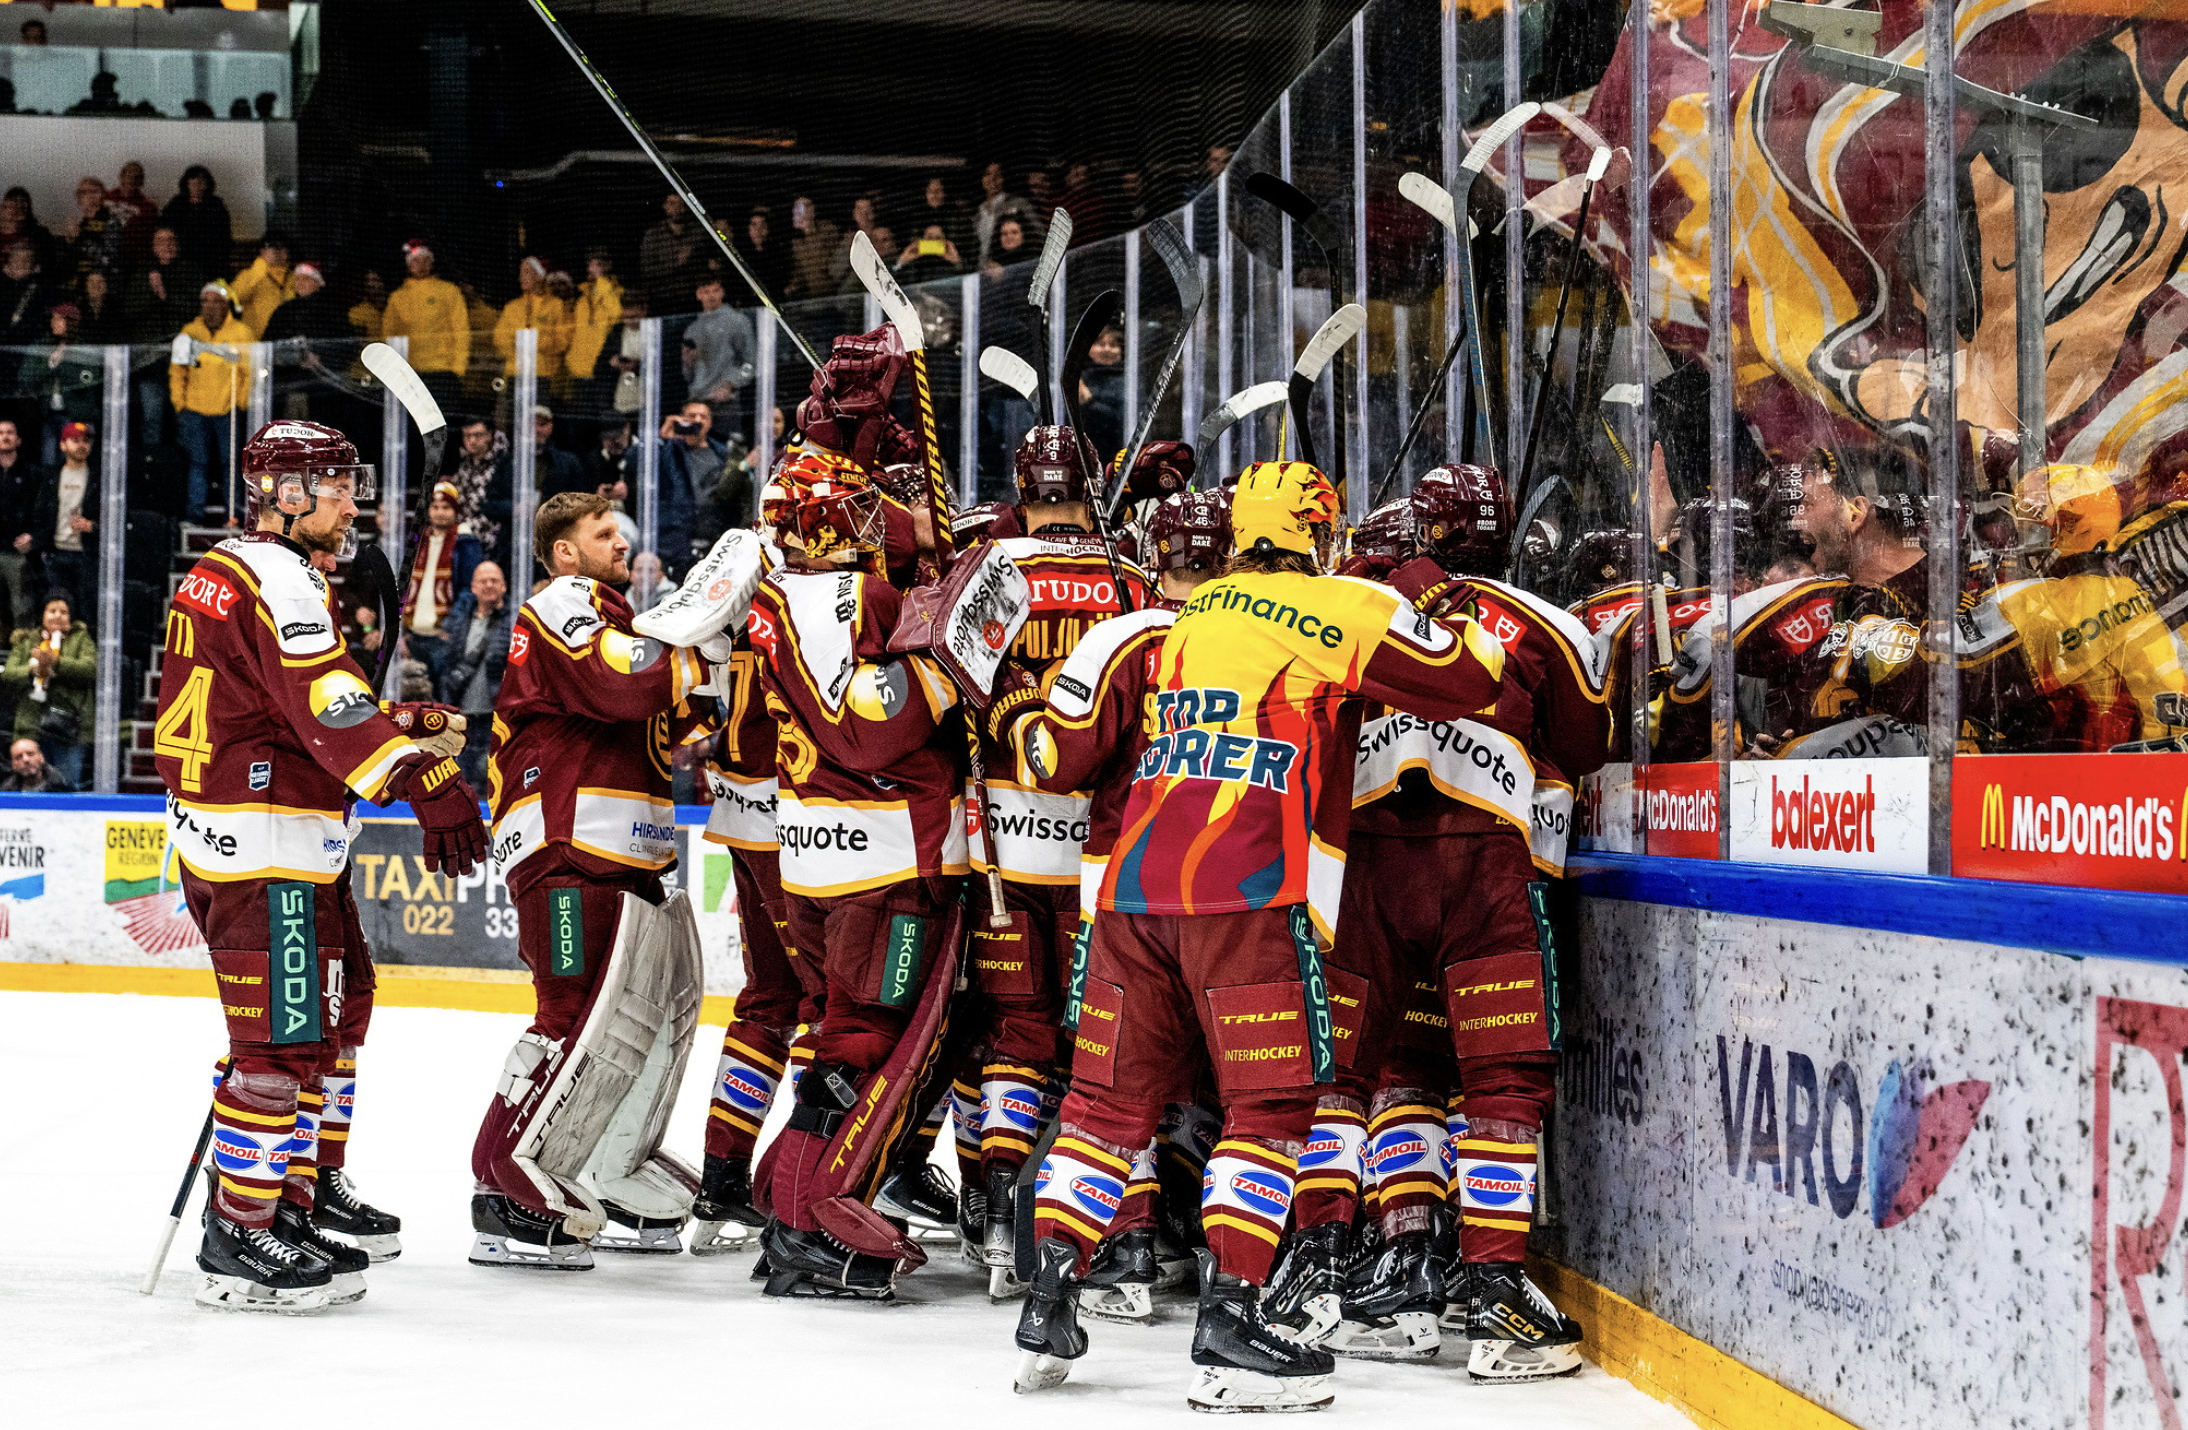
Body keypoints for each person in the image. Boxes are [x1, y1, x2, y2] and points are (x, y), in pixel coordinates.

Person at [1005, 460, 1507, 1410]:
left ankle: (1049, 1298)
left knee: (1106, 1111)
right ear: (1320, 529)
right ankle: (1232, 1318)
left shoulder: (1187, 617)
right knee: (1270, 1114)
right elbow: (1470, 684)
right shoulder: (1344, 605)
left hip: (1132, 895)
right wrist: (1416, 591)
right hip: (1251, 892)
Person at [156, 419, 487, 1313]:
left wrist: (399, 722)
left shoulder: (231, 569)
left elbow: (282, 702)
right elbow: (328, 704)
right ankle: (241, 1229)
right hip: (264, 846)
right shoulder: (277, 574)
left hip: (283, 833)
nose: (351, 502)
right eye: (337, 485)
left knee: (337, 1016)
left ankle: (293, 1199)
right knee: (276, 1046)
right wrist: (428, 775)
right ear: (288, 494)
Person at [744, 449, 969, 1299]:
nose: (877, 523)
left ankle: (787, 1203)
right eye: (859, 509)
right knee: (863, 1039)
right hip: (881, 861)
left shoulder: (775, 596)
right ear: (827, 523)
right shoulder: (852, 596)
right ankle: (805, 1221)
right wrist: (953, 660)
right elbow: (870, 728)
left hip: (819, 855)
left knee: (844, 1029)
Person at [470, 490, 712, 1268]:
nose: (621, 542)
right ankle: (502, 1184)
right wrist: (698, 625)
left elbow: (667, 716)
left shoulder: (619, 619)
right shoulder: (561, 604)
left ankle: (597, 1169)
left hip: (623, 850)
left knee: (626, 1028)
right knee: (570, 1015)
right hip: (566, 846)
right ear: (565, 551)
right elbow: (622, 681)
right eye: (603, 533)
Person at [956, 425, 1151, 1280]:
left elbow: (954, 695)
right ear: (1094, 482)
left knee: (1016, 1029)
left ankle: (1002, 1211)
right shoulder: (1132, 581)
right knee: (1106, 1046)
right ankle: (1118, 1228)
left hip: (1004, 846)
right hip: (1105, 848)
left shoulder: (992, 574)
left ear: (1019, 486)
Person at [171, 280, 255, 524]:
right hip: (195, 410)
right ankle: (194, 514)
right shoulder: (189, 332)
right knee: (198, 462)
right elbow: (178, 371)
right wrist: (180, 403)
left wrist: (240, 403)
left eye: (216, 301)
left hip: (227, 410)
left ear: (226, 305)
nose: (210, 306)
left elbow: (248, 372)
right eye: (205, 301)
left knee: (231, 464)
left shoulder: (241, 333)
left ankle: (235, 513)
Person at [3, 591, 94, 787]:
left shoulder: (81, 639)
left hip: (67, 729)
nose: (57, 615)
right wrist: (34, 669)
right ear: (42, 615)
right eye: (52, 610)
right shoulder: (27, 640)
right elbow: (9, 674)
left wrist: (56, 663)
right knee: (26, 784)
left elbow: (89, 669)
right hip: (31, 724)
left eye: (64, 611)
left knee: (67, 784)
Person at [437, 559, 510, 791]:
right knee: (462, 772)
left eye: (494, 580)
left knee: (489, 771)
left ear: (504, 586)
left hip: (495, 708)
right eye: (483, 581)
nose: (489, 585)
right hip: (461, 705)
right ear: (473, 587)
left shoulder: (512, 620)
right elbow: (448, 656)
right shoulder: (460, 618)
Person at [404, 481, 484, 683]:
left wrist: (451, 627)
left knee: (441, 698)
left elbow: (469, 590)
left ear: (455, 511)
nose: (440, 512)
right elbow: (402, 585)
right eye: (435, 507)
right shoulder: (416, 541)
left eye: (446, 507)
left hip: (443, 636)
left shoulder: (465, 542)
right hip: (413, 635)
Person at [381, 242, 471, 420]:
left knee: (442, 422)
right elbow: (388, 334)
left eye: (425, 261)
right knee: (413, 425)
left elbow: (461, 331)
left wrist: (458, 368)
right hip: (410, 372)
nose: (420, 265)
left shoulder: (448, 291)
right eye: (415, 261)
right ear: (408, 264)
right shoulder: (397, 297)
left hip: (442, 371)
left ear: (431, 263)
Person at [28, 421, 97, 609]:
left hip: (87, 554)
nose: (82, 445)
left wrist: (93, 526)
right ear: (63, 445)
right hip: (56, 552)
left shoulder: (98, 477)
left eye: (85, 441)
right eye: (75, 440)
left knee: (86, 607)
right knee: (57, 606)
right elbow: (40, 513)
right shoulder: (51, 476)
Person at [657, 399, 728, 580]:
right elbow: (637, 462)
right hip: (676, 541)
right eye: (691, 416)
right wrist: (662, 439)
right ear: (681, 420)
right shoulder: (668, 450)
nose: (697, 420)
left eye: (703, 416)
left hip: (714, 537)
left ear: (710, 423)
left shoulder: (723, 453)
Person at [22, 305, 101, 465]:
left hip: (76, 417)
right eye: (52, 319)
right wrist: (50, 364)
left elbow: (87, 381)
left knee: (73, 462)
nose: (53, 323)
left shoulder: (84, 349)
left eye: (58, 319)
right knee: (49, 462)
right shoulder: (43, 347)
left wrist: (61, 364)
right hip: (49, 416)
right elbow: (25, 376)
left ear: (71, 323)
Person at [682, 275, 754, 440]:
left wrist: (730, 384)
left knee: (729, 455)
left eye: (716, 290)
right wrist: (688, 362)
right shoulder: (692, 329)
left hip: (725, 404)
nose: (711, 296)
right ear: (698, 294)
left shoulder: (738, 321)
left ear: (722, 292)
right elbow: (688, 376)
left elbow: (751, 363)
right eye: (706, 291)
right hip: (697, 402)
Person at [494, 256, 571, 384]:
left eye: (527, 272)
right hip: (515, 373)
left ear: (539, 276)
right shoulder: (512, 307)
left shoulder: (556, 306)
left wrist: (535, 342)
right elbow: (499, 338)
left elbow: (563, 340)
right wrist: (516, 350)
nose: (521, 277)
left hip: (543, 374)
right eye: (520, 272)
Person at [565, 249, 623, 409]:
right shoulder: (582, 299)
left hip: (603, 370)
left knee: (603, 419)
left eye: (598, 263)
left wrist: (602, 280)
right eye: (591, 263)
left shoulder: (617, 293)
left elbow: (616, 315)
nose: (593, 267)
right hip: (579, 371)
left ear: (608, 266)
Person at [450, 418, 510, 564]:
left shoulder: (503, 463)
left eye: (478, 435)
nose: (472, 441)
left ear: (490, 435)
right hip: (461, 537)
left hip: (492, 540)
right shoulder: (463, 464)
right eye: (467, 436)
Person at [0, 419, 40, 629]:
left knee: (21, 606)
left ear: (18, 440)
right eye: (0, 433)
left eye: (10, 433)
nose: (5, 437)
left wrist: (32, 536)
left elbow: (41, 511)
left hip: (17, 550)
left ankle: (22, 651)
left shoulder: (31, 474)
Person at [639, 193, 706, 315]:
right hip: (663, 300)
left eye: (681, 204)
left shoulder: (697, 233)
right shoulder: (653, 235)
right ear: (664, 206)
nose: (677, 208)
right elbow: (647, 270)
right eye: (672, 203)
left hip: (692, 299)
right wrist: (676, 262)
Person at [161, 165, 232, 277]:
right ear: (187, 184)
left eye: (201, 183)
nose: (198, 187)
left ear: (207, 185)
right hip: (180, 259)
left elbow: (224, 237)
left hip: (211, 260)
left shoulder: (216, 205)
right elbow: (165, 230)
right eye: (194, 183)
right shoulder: (175, 205)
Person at [229, 231, 295, 337]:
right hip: (257, 341)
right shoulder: (248, 275)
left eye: (282, 247)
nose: (277, 251)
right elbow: (235, 297)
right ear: (262, 251)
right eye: (272, 246)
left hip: (286, 341)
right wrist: (260, 267)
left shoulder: (296, 277)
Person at [974, 162, 1039, 265]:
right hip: (983, 273)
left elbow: (1038, 236)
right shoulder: (976, 212)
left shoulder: (1019, 204)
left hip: (1014, 268)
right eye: (988, 174)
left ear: (1003, 178)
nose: (993, 179)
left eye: (997, 174)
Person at [65, 177, 120, 284]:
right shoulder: (81, 223)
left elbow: (109, 260)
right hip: (79, 282)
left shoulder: (111, 221)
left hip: (102, 283)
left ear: (103, 195)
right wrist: (70, 242)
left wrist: (80, 237)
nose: (89, 196)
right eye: (83, 192)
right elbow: (71, 259)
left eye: (94, 191)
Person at [784, 195, 840, 300]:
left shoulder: (828, 231)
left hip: (832, 295)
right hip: (809, 298)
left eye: (804, 207)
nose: (798, 212)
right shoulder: (796, 241)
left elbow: (821, 264)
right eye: (796, 208)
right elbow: (800, 270)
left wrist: (808, 230)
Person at [529, 404, 588, 500]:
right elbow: (496, 501)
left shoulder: (569, 463)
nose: (537, 430)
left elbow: (580, 499)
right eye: (532, 424)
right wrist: (513, 507)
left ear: (551, 427)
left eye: (542, 424)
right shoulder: (510, 462)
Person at [893, 222, 962, 285]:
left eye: (938, 238)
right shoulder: (914, 262)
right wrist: (900, 262)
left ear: (945, 241)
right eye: (929, 238)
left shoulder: (949, 260)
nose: (933, 241)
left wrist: (957, 263)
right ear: (922, 239)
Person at [0, 736, 71, 793]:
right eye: (19, 757)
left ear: (41, 757)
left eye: (30, 754)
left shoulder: (62, 786)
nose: (25, 760)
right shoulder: (6, 791)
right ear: (13, 764)